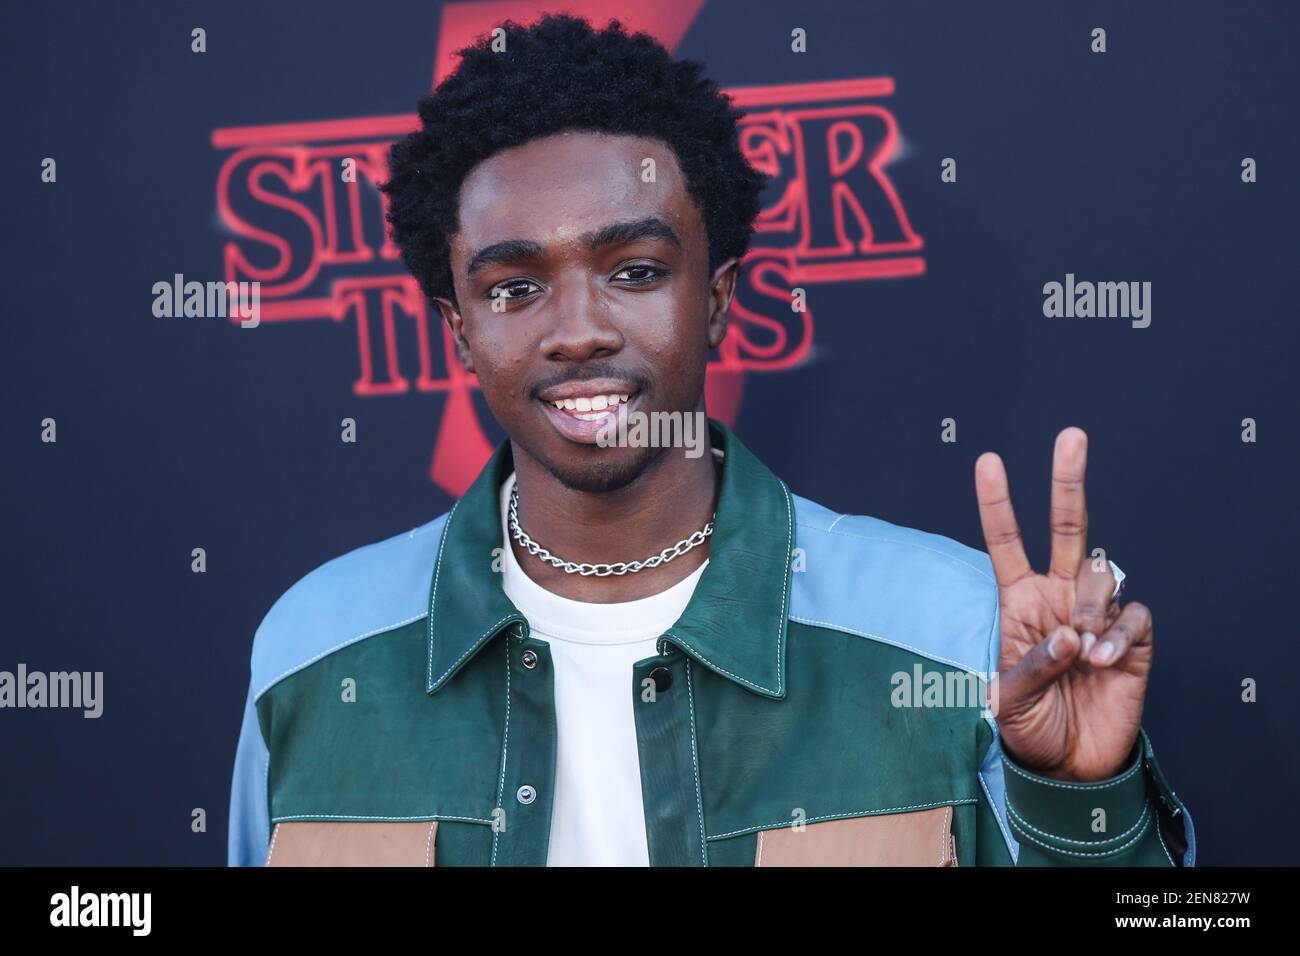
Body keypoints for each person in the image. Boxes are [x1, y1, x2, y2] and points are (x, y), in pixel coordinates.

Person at [228, 12, 1193, 866]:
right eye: (515, 287)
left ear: (718, 298)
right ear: (460, 331)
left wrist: (1087, 807)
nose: (577, 329)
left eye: (636, 270)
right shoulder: (315, 655)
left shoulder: (954, 633)